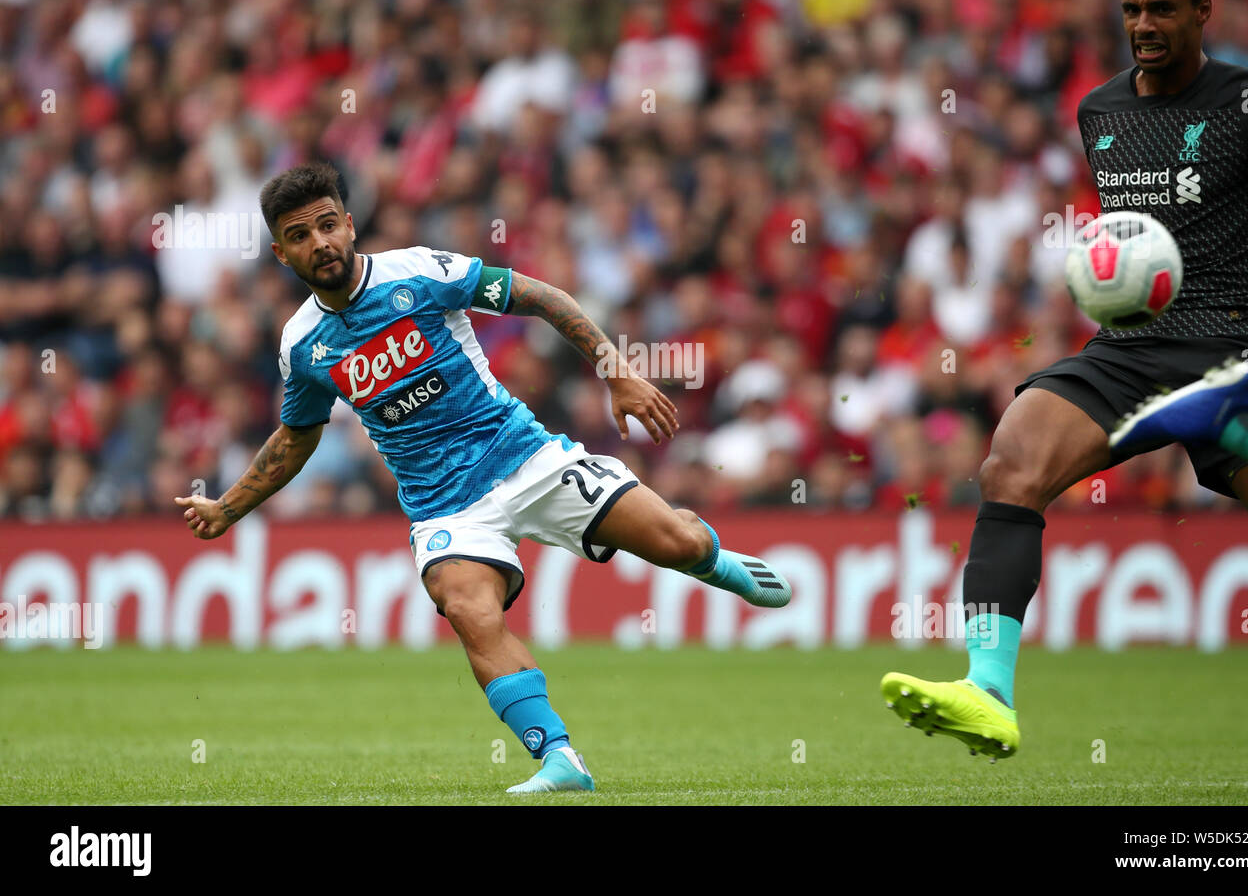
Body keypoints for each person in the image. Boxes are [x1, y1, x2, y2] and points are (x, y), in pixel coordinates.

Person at [174, 162, 790, 793]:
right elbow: (297, 435)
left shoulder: (419, 271)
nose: (320, 243)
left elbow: (543, 297)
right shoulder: (302, 343)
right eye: (301, 236)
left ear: (350, 224)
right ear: (281, 253)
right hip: (443, 507)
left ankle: (715, 557)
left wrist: (617, 371)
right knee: (467, 606)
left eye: (328, 225)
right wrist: (228, 508)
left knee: (676, 546)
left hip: (524, 458)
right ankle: (559, 760)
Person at [880, 0, 1248, 760]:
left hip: (1231, 349)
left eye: (1163, 9)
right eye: (1131, 9)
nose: (1143, 24)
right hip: (1131, 348)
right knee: (1012, 461)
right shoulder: (1100, 111)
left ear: (1204, 11)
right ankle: (989, 692)